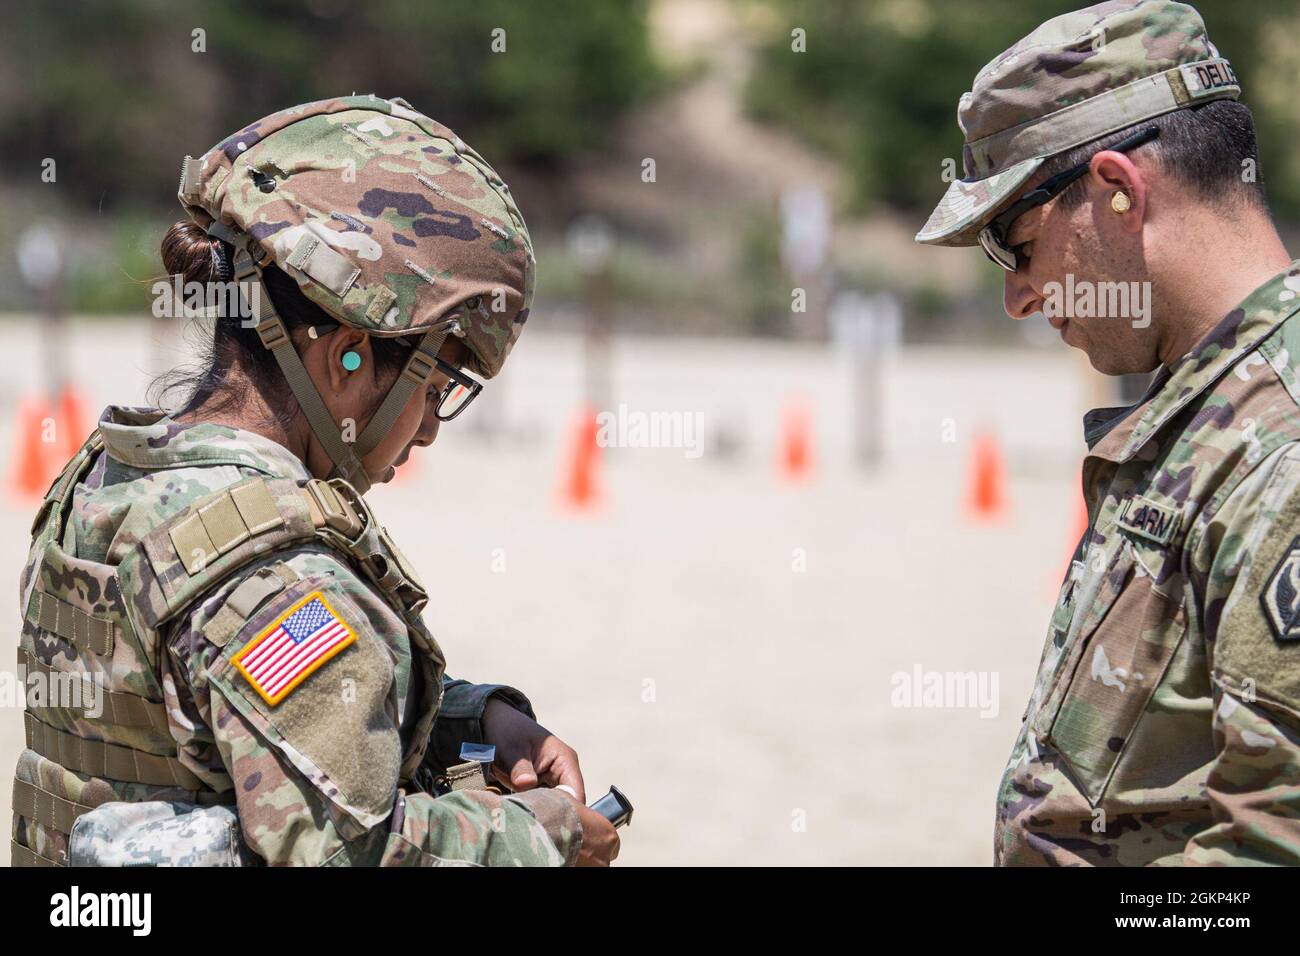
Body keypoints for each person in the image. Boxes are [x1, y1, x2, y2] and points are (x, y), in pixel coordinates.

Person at [10, 94, 619, 867]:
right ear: (348, 357)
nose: (430, 429)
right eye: (435, 387)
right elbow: (345, 853)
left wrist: (471, 720)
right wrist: (546, 833)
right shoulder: (279, 575)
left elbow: (224, 709)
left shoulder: (112, 478)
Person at [916, 0, 1300, 865]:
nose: (1017, 296)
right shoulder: (1210, 406)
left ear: (1119, 191)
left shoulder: (1280, 448)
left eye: (1015, 244)